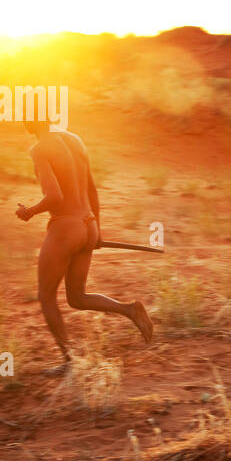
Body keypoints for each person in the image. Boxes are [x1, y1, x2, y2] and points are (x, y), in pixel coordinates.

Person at [14, 120, 152, 371]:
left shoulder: (39, 149)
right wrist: (96, 230)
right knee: (77, 297)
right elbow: (92, 189)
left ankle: (69, 362)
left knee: (46, 297)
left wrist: (29, 212)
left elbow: (55, 196)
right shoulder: (75, 140)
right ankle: (130, 310)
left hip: (65, 228)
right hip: (88, 224)